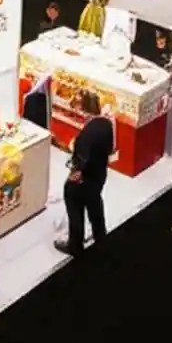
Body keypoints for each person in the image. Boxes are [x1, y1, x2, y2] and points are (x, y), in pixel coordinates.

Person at [56, 108, 114, 255]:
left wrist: (74, 174)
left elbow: (80, 162)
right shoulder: (106, 128)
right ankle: (100, 236)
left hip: (84, 179)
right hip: (99, 175)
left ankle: (75, 245)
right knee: (95, 203)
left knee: (73, 202)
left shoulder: (83, 139)